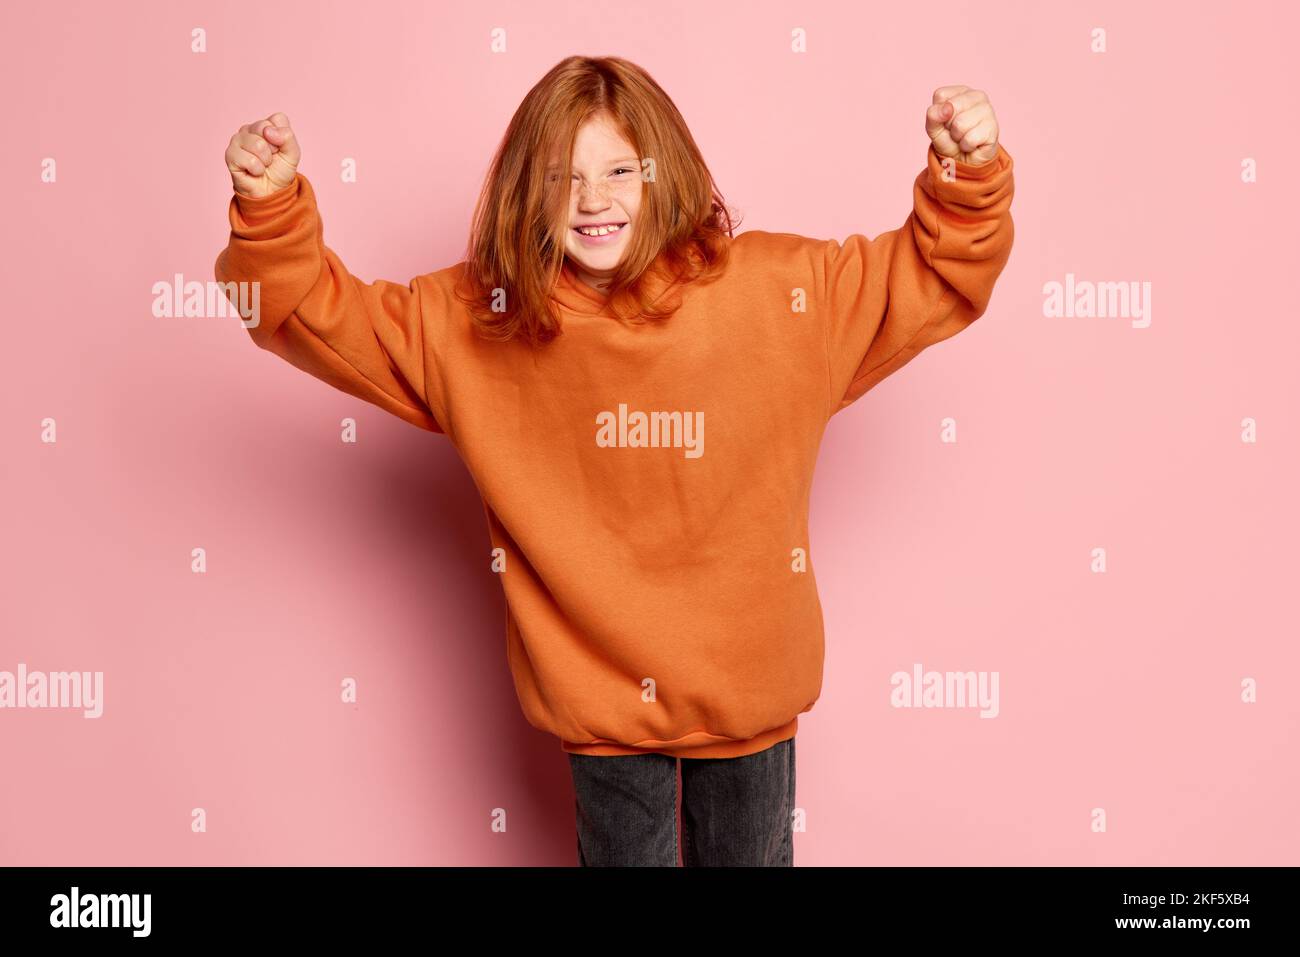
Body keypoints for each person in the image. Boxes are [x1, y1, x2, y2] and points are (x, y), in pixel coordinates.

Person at [216, 55, 1015, 867]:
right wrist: (269, 206)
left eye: (620, 170)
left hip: (749, 709)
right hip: (604, 723)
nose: (593, 200)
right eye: (562, 176)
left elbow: (933, 271)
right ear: (530, 190)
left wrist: (966, 170)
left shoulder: (780, 294)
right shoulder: (475, 325)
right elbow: (310, 313)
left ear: (663, 171)